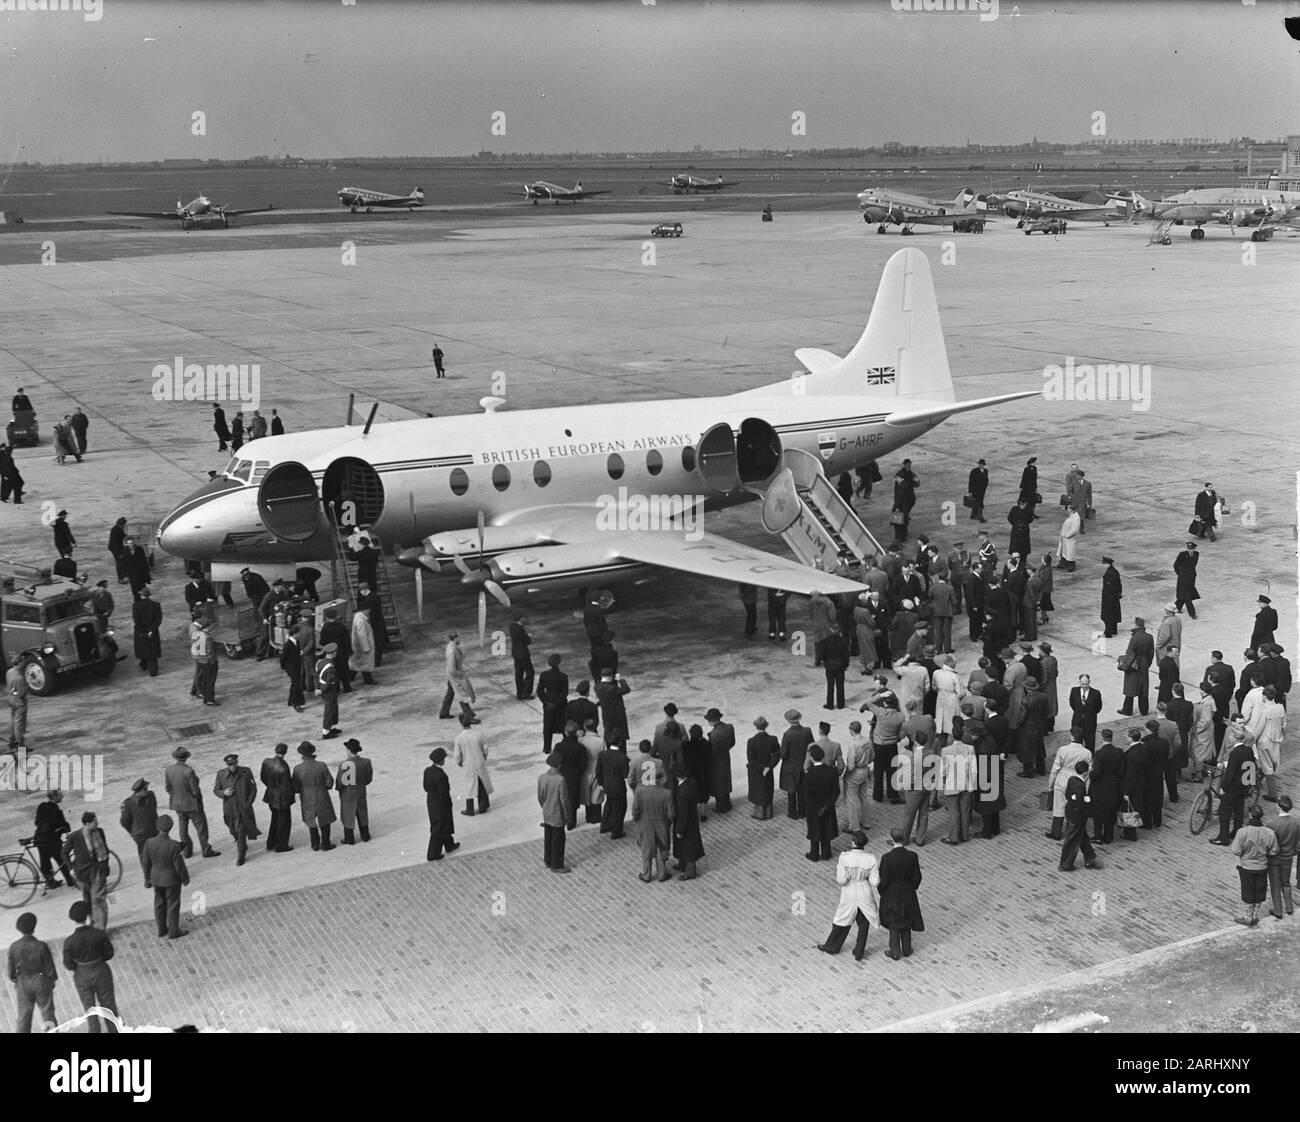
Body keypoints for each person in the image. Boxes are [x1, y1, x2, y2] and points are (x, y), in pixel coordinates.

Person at [817, 830, 880, 960]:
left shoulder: (844, 857)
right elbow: (875, 882)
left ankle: (832, 945)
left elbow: (841, 880)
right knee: (864, 922)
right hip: (864, 891)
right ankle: (859, 951)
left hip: (849, 891)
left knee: (842, 919)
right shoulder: (871, 859)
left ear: (853, 842)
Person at [62, 901, 118, 1033]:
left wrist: (78, 967)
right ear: (88, 916)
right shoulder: (99, 934)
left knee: (89, 1007)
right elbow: (109, 954)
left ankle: (94, 1030)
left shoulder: (70, 941)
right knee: (108, 1003)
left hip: (82, 975)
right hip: (101, 971)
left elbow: (67, 963)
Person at [140, 814, 190, 940]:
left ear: (157, 827)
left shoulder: (149, 843)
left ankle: (161, 929)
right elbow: (179, 865)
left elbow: (145, 863)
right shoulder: (173, 845)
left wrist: (147, 879)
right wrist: (185, 878)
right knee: (172, 904)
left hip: (156, 878)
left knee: (159, 903)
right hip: (171, 880)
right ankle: (174, 931)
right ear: (170, 828)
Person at [165, 746, 219, 859]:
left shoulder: (169, 770)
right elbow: (195, 790)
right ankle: (206, 849)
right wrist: (197, 800)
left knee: (183, 828)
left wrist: (176, 796)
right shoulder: (188, 771)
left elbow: (168, 788)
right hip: (192, 805)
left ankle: (187, 851)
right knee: (201, 828)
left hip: (178, 804)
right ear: (186, 758)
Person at [878, 828, 924, 961]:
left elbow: (884, 879)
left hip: (892, 892)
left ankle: (895, 950)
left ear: (892, 839)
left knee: (894, 921)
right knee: (906, 919)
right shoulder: (912, 856)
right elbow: (916, 877)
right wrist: (911, 887)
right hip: (908, 891)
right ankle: (907, 948)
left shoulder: (887, 858)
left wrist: (883, 891)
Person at [7, 912, 57, 1033]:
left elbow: (10, 971)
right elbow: (50, 969)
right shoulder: (41, 946)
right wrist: (51, 982)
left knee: (23, 1015)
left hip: (22, 981)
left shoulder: (14, 947)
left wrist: (16, 981)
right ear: (34, 927)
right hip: (40, 979)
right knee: (47, 1013)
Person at [1229, 808, 1277, 927]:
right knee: (1259, 890)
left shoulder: (1242, 832)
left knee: (1248, 891)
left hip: (1246, 867)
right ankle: (1255, 916)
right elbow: (1274, 851)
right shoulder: (1269, 832)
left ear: (1250, 815)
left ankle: (1248, 917)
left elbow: (1236, 850)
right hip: (1262, 866)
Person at [1211, 730, 1257, 846]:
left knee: (1224, 810)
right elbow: (1251, 767)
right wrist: (1249, 784)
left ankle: (1223, 837)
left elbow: (1230, 773)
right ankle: (1236, 832)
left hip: (1233, 786)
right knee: (1239, 810)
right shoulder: (1248, 750)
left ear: (1234, 739)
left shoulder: (1234, 753)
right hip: (1243, 784)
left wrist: (1223, 787)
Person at [1046, 729, 1093, 839]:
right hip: (1077, 782)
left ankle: (1056, 832)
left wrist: (1050, 783)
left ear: (1072, 737)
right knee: (1074, 807)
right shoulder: (1087, 753)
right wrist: (1085, 781)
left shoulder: (1063, 750)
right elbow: (1089, 770)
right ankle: (1070, 832)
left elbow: (1055, 768)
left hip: (1062, 780)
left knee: (1058, 807)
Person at [292, 741, 337, 851]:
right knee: (325, 819)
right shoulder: (321, 765)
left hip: (306, 796)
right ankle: (326, 843)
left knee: (310, 820)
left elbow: (295, 786)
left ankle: (315, 843)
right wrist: (325, 787)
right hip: (321, 794)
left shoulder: (297, 769)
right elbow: (329, 782)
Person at [632, 765, 675, 882]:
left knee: (646, 849)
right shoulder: (667, 793)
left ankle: (646, 874)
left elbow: (635, 810)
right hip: (661, 823)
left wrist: (637, 821)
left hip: (645, 823)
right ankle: (662, 873)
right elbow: (671, 814)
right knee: (662, 847)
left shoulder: (640, 792)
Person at [1059, 760, 1101, 872]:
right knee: (1072, 839)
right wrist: (1087, 804)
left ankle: (1090, 858)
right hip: (1077, 816)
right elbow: (1079, 804)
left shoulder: (1072, 779)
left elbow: (1068, 794)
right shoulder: (1080, 786)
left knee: (1082, 836)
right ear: (1085, 772)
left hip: (1070, 811)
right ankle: (1065, 864)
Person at [333, 738, 373, 845]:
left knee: (348, 815)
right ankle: (365, 835)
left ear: (349, 750)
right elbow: (368, 779)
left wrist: (339, 789)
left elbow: (340, 782)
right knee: (362, 813)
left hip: (348, 793)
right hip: (360, 791)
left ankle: (349, 838)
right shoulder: (366, 762)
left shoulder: (345, 764)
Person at [939, 730, 976, 845]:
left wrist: (943, 781)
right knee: (965, 811)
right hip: (966, 784)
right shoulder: (970, 749)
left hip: (952, 783)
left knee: (954, 812)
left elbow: (943, 770)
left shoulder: (946, 750)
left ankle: (953, 837)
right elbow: (974, 769)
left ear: (952, 737)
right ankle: (965, 835)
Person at [1089, 730, 1126, 844]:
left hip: (1100, 787)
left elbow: (1096, 773)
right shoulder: (1119, 752)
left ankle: (1098, 835)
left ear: (1102, 738)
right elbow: (1121, 771)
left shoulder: (1100, 753)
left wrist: (1091, 773)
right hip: (1114, 785)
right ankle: (1108, 836)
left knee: (1098, 812)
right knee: (1111, 811)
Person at [33, 789, 74, 890]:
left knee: (45, 862)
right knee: (62, 859)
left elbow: (37, 822)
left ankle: (50, 882)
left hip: (39, 839)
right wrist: (66, 830)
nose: (62, 797)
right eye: (60, 795)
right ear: (55, 797)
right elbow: (62, 825)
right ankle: (70, 881)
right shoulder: (57, 810)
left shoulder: (41, 806)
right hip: (51, 840)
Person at [538, 751, 572, 873]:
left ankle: (548, 860)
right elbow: (564, 800)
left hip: (547, 812)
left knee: (548, 837)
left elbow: (540, 796)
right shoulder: (560, 780)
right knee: (558, 840)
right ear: (559, 765)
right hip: (557, 814)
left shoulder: (542, 777)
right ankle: (557, 865)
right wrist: (568, 815)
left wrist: (545, 806)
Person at [804, 744, 839, 861]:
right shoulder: (831, 771)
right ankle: (826, 853)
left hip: (814, 807)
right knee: (826, 828)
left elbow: (807, 794)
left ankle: (814, 853)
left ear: (812, 758)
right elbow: (836, 791)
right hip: (827, 806)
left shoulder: (809, 774)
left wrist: (810, 807)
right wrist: (827, 806)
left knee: (814, 829)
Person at [671, 764, 705, 880]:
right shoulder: (692, 783)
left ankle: (690, 871)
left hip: (685, 823)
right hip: (692, 820)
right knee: (684, 846)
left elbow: (683, 814)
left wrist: (680, 829)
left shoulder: (682, 793)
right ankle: (682, 864)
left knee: (688, 847)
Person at [260, 742, 296, 852]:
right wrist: (291, 797)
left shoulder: (266, 762)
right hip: (281, 798)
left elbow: (263, 778)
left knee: (275, 820)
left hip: (271, 795)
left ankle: (271, 843)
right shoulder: (284, 767)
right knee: (284, 823)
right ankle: (281, 846)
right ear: (285, 752)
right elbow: (286, 787)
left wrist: (271, 787)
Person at [424, 748, 459, 861]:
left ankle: (449, 844)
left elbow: (425, 787)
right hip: (441, 804)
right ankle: (433, 854)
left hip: (431, 801)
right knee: (440, 827)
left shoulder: (427, 771)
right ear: (440, 761)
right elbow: (444, 793)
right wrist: (448, 804)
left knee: (443, 824)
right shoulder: (441, 775)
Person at [118, 777, 158, 869]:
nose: (147, 791)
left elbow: (153, 810)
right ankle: (148, 879)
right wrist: (134, 832)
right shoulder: (128, 804)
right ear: (139, 791)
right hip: (141, 835)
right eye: (145, 789)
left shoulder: (151, 795)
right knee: (145, 857)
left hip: (154, 830)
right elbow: (124, 822)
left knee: (158, 853)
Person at [1117, 617, 1154, 716]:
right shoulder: (1149, 637)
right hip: (1144, 663)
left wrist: (1125, 666)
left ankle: (1127, 710)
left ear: (1136, 625)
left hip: (1134, 664)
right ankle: (1144, 710)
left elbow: (1130, 654)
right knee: (1143, 689)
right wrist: (1147, 663)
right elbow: (1151, 653)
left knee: (1130, 689)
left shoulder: (1134, 638)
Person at [780, 709, 813, 818]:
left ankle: (792, 812)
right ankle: (802, 811)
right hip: (804, 764)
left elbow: (783, 754)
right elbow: (812, 746)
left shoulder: (787, 734)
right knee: (802, 790)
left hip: (791, 766)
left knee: (791, 790)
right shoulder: (807, 731)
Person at [841, 720, 872, 834]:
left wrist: (846, 774)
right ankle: (866, 821)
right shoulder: (867, 740)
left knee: (852, 800)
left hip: (855, 772)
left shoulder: (853, 745)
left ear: (852, 731)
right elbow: (872, 755)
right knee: (864, 796)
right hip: (865, 769)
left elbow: (850, 765)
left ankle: (854, 826)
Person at [746, 716, 780, 820]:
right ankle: (768, 812)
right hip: (768, 769)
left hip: (756, 769)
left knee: (757, 790)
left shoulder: (751, 741)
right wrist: (769, 767)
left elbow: (751, 759)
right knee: (767, 789)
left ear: (756, 726)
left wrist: (762, 768)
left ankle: (759, 813)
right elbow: (777, 754)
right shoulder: (772, 739)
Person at [439, 631, 477, 723]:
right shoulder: (452, 650)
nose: (460, 639)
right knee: (462, 695)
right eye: (459, 637)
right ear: (455, 638)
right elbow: (452, 669)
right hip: (455, 675)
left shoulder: (451, 647)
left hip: (452, 674)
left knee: (451, 693)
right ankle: (469, 716)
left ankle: (444, 712)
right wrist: (460, 675)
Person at [597, 740, 630, 839]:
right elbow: (625, 774)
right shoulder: (622, 758)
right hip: (618, 786)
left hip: (607, 784)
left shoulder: (602, 754)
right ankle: (616, 831)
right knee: (619, 809)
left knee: (609, 805)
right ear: (619, 743)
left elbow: (598, 770)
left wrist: (600, 783)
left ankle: (605, 825)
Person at [704, 707, 735, 812]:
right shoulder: (729, 727)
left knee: (718, 783)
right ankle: (727, 803)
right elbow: (732, 743)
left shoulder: (714, 735)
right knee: (725, 780)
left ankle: (722, 806)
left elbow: (711, 753)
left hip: (716, 761)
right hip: (725, 757)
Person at [537, 653, 569, 754]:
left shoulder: (544, 675)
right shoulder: (563, 677)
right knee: (563, 724)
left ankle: (547, 747)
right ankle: (567, 743)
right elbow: (564, 692)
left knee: (547, 726)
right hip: (560, 705)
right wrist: (556, 704)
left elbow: (540, 691)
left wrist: (546, 702)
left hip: (548, 704)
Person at [595, 669, 631, 749]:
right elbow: (627, 689)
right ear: (611, 677)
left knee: (608, 735)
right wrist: (620, 680)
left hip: (606, 716)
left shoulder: (597, 687)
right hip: (617, 717)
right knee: (620, 738)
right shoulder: (613, 689)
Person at [132, 586, 162, 676]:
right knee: (152, 651)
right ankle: (153, 671)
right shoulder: (156, 605)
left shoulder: (136, 605)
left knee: (142, 648)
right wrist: (151, 631)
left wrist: (142, 631)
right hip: (152, 631)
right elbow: (158, 619)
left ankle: (144, 665)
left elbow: (136, 620)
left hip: (140, 631)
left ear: (141, 595)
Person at [317, 643, 342, 739]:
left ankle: (330, 727)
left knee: (333, 708)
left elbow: (316, 675)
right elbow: (330, 680)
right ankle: (326, 731)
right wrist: (321, 690)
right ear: (334, 653)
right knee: (330, 710)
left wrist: (318, 688)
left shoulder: (320, 662)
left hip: (325, 688)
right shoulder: (330, 666)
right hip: (329, 690)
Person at [7, 653, 29, 761]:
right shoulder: (19, 678)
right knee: (20, 724)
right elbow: (21, 693)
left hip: (11, 699)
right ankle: (20, 745)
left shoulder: (9, 672)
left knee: (13, 721)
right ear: (19, 663)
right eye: (22, 662)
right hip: (20, 701)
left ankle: (12, 741)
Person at [349, 605, 377, 686]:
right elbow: (362, 634)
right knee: (364, 663)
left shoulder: (359, 617)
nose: (369, 611)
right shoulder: (360, 620)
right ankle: (367, 679)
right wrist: (366, 647)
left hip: (360, 645)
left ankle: (351, 677)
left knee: (357, 662)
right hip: (362, 645)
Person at [509, 613, 534, 699]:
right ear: (520, 619)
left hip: (516, 653)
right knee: (530, 672)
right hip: (523, 653)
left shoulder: (511, 626)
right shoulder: (520, 629)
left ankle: (519, 692)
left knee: (518, 673)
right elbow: (527, 640)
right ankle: (526, 692)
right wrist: (529, 637)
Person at [1056, 504, 1080, 573]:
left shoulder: (1076, 518)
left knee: (1070, 553)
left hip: (1070, 539)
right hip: (1065, 539)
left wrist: (1067, 535)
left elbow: (1075, 530)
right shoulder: (1071, 516)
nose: (1066, 511)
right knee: (1064, 552)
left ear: (1071, 509)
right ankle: (1063, 564)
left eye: (1068, 509)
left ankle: (1071, 566)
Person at [966, 458, 988, 522]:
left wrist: (985, 486)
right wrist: (970, 491)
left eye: (982, 464)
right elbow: (971, 482)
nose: (981, 465)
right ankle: (981, 517)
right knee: (979, 504)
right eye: (980, 464)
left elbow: (986, 479)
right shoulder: (974, 471)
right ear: (979, 464)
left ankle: (972, 515)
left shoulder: (986, 471)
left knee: (976, 503)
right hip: (975, 490)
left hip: (982, 491)